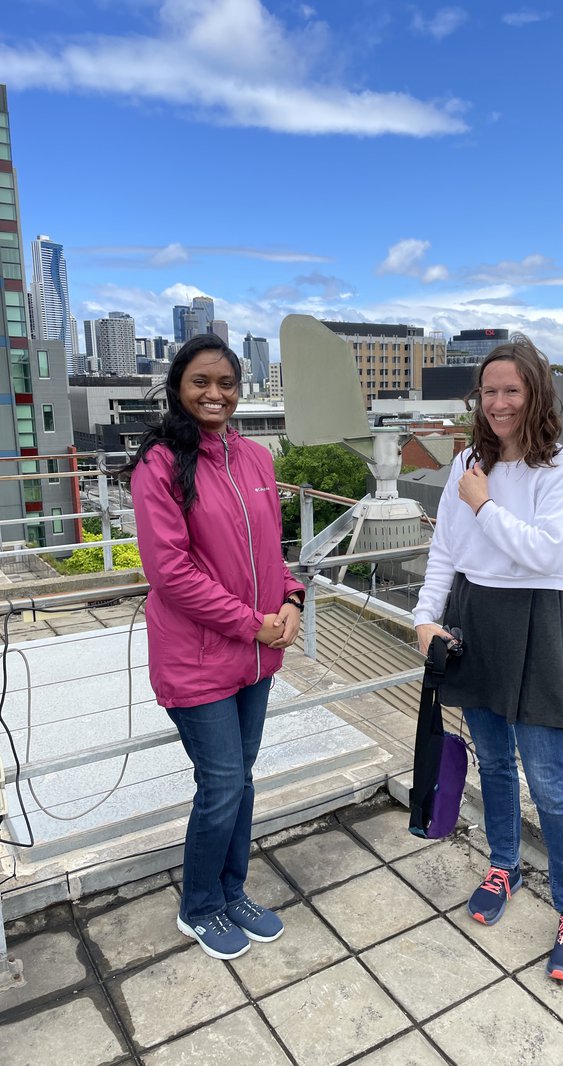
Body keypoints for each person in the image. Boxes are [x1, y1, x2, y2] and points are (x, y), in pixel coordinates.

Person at [413, 334, 563, 981]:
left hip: (537, 621)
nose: (497, 402)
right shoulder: (466, 462)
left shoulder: (560, 468)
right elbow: (446, 554)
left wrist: (483, 503)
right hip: (473, 616)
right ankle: (504, 865)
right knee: (492, 760)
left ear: (535, 392)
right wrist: (424, 617)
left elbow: (547, 557)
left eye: (510, 389)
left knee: (551, 783)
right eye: (489, 391)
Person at [126, 333, 305, 961]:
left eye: (226, 383)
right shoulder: (159, 463)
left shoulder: (257, 458)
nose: (215, 394)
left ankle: (232, 891)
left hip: (255, 655)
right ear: (178, 385)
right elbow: (169, 572)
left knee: (241, 781)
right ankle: (198, 905)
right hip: (197, 656)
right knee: (224, 780)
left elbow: (274, 552)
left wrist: (291, 600)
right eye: (201, 381)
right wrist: (250, 623)